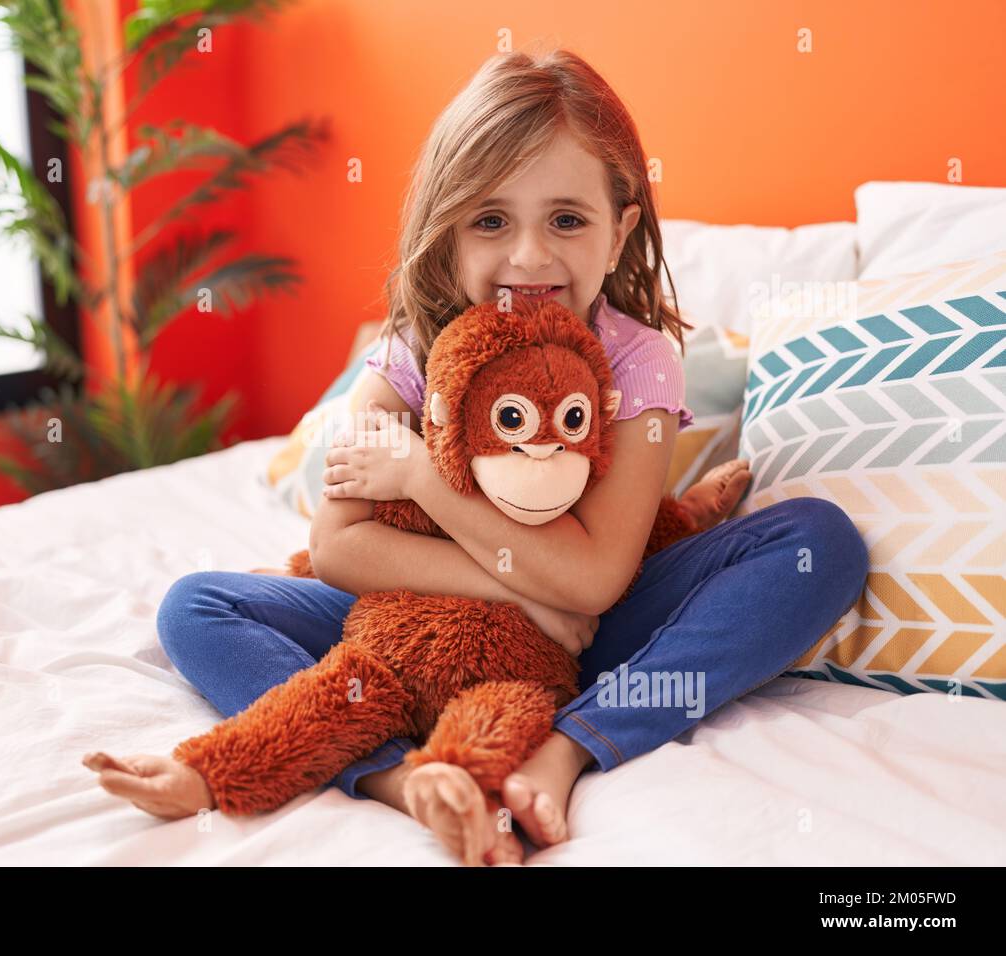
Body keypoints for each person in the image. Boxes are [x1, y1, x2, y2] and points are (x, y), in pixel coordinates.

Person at [83, 48, 868, 866]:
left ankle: (566, 746)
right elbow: (339, 548)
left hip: (595, 635)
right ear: (446, 232)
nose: (529, 257)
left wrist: (424, 476)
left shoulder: (641, 362)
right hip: (418, 629)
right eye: (491, 220)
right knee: (196, 606)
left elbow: (598, 578)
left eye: (567, 219)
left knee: (818, 541)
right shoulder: (404, 360)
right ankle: (400, 778)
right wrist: (523, 596)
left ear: (619, 232)